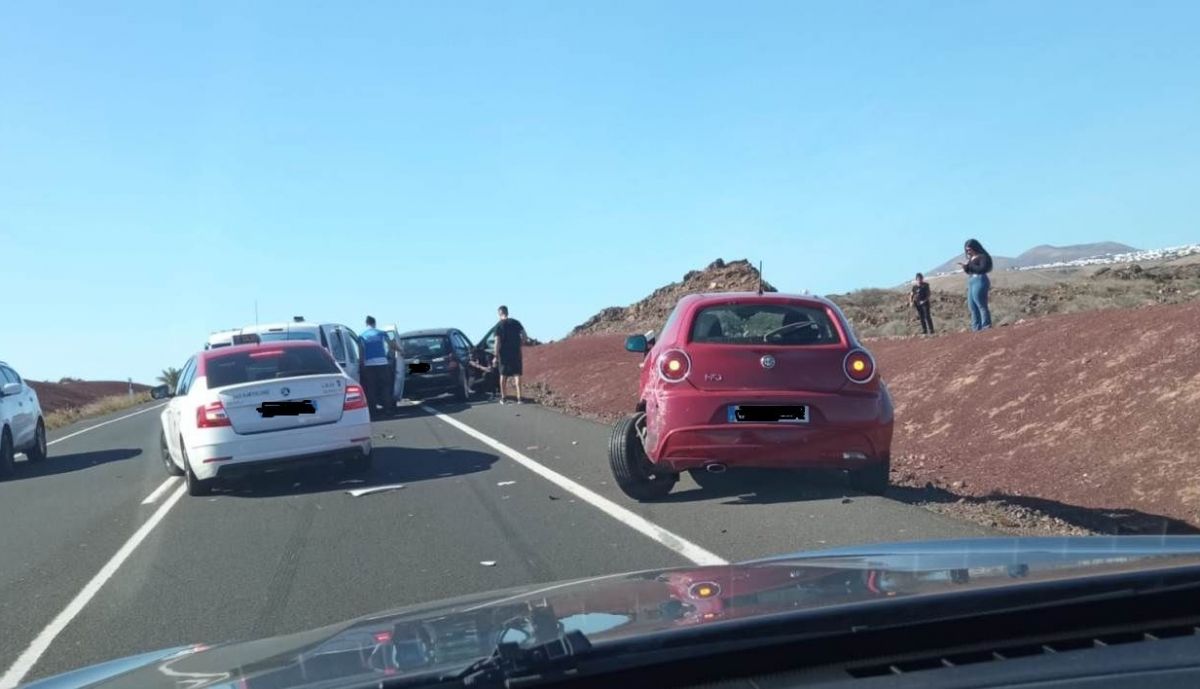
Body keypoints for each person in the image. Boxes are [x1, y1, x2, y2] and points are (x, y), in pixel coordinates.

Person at [359, 316, 400, 418]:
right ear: (374, 323)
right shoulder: (382, 333)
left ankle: (373, 411)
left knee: (371, 388)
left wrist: (361, 364)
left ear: (366, 323)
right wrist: (401, 351)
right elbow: (391, 345)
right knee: (385, 387)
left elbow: (361, 352)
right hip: (382, 363)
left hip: (369, 365)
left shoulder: (362, 336)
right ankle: (387, 409)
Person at [492, 305, 527, 405]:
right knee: (517, 374)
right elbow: (525, 336)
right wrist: (520, 343)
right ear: (507, 312)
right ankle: (519, 398)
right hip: (516, 352)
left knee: (503, 375)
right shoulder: (516, 323)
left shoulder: (498, 326)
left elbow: (497, 342)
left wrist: (495, 355)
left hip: (504, 354)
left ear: (499, 313)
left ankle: (504, 398)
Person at [959, 239, 993, 331]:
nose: (968, 252)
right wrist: (966, 268)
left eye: (969, 249)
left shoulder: (982, 257)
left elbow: (982, 269)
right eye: (967, 250)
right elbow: (970, 270)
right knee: (972, 306)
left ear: (975, 247)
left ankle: (986, 325)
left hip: (980, 279)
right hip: (971, 280)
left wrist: (970, 266)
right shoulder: (971, 259)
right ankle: (976, 327)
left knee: (980, 303)